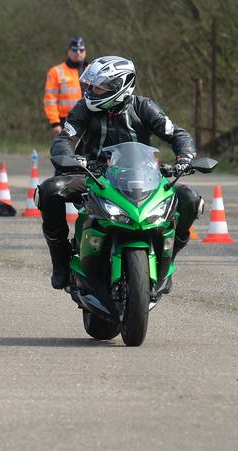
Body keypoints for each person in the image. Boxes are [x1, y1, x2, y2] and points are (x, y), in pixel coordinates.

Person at [37, 55, 201, 289]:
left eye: (99, 86)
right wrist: (72, 159)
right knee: (49, 190)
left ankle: (167, 259)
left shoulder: (143, 107)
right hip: (94, 175)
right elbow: (65, 139)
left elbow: (177, 134)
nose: (91, 90)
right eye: (91, 85)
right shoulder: (83, 108)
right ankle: (61, 262)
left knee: (190, 199)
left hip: (143, 178)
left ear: (119, 86)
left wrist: (185, 157)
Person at [43, 36, 87, 135]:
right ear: (69, 52)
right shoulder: (56, 72)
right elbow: (50, 99)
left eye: (81, 50)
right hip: (65, 121)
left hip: (89, 120)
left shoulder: (91, 70)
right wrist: (55, 122)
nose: (78, 53)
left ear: (85, 52)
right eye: (75, 50)